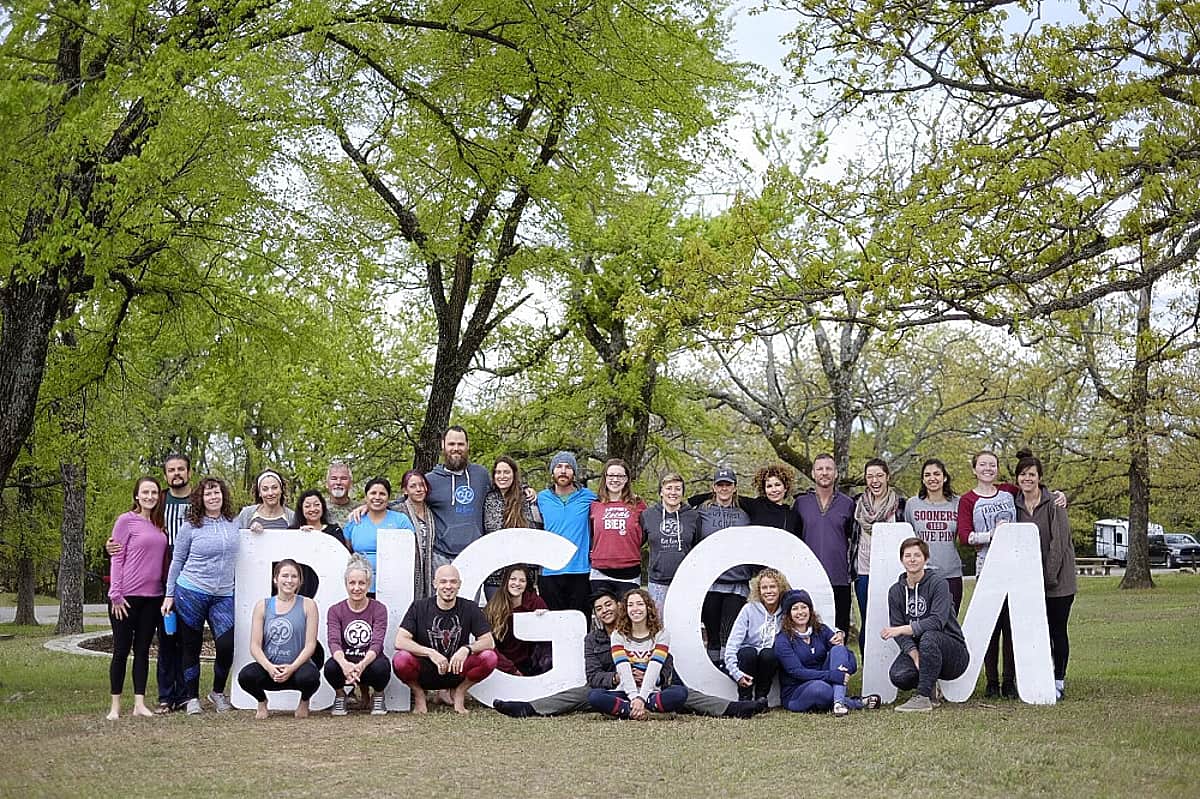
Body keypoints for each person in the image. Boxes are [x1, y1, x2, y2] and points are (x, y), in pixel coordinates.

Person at [493, 589, 766, 719]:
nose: (605, 611)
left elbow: (665, 662)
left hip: (652, 683)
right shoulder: (596, 639)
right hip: (618, 688)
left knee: (686, 694)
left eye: (608, 605)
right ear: (596, 615)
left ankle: (735, 709)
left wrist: (646, 673)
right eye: (599, 609)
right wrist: (617, 679)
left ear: (620, 605)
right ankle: (528, 709)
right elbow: (593, 675)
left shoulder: (654, 631)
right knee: (580, 694)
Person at [163, 476, 242, 715]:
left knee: (226, 645)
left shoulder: (234, 522)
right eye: (208, 494)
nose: (213, 497)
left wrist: (257, 529)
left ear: (223, 495)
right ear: (201, 498)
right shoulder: (191, 525)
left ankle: (217, 692)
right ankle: (192, 697)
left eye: (217, 492)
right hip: (191, 592)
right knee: (191, 647)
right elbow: (177, 560)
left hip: (223, 594)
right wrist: (169, 595)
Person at [392, 564, 498, 714]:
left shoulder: (470, 608)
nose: (448, 586)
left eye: (453, 582)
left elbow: (489, 641)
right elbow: (400, 641)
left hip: (457, 669)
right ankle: (419, 694)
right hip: (426, 669)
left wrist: (466, 649)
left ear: (459, 584)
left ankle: (460, 692)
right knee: (400, 659)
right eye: (443, 582)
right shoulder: (419, 607)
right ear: (435, 584)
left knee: (489, 657)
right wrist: (430, 653)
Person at [1013, 450, 1076, 700]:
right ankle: (1036, 677)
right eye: (1022, 474)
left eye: (1031, 474)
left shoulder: (1054, 504)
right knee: (1034, 631)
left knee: (1057, 630)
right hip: (1029, 582)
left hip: (1057, 581)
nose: (1027, 479)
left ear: (1039, 477)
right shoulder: (1015, 504)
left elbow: (1059, 545)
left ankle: (1058, 679)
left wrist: (1048, 577)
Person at [882, 537, 970, 712]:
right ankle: (930, 685)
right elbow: (900, 632)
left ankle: (923, 697)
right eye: (908, 556)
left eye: (917, 555)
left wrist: (903, 629)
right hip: (922, 650)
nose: (912, 559)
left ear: (926, 559)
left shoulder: (939, 584)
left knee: (929, 637)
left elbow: (937, 621)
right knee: (899, 676)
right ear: (902, 560)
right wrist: (915, 656)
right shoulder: (895, 591)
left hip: (952, 652)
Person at [106, 476, 169, 720]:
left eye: (154, 492)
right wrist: (116, 594)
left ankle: (139, 704)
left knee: (142, 651)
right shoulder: (126, 521)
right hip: (125, 597)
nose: (150, 497)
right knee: (121, 651)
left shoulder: (159, 525)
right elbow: (117, 557)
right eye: (145, 492)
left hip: (152, 597)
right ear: (137, 495)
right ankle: (115, 706)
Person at [957, 450, 1017, 698]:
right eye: (982, 465)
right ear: (974, 469)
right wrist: (993, 534)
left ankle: (1009, 681)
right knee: (990, 627)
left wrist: (1059, 496)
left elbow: (1036, 488)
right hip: (986, 567)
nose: (987, 469)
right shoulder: (968, 500)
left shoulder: (1009, 492)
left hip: (1013, 567)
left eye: (992, 465)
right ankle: (991, 681)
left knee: (1011, 627)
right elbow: (965, 536)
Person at [236, 559, 320, 719]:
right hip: (271, 670)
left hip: (297, 670)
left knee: (311, 677)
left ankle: (304, 701)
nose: (289, 580)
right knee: (246, 676)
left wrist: (292, 667)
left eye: (294, 576)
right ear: (276, 579)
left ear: (300, 581)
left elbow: (310, 644)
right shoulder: (262, 605)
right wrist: (269, 667)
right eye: (285, 575)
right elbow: (254, 645)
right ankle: (262, 701)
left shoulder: (308, 605)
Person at [774, 588, 879, 716]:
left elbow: (847, 654)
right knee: (820, 689)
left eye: (804, 607)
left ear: (810, 610)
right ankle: (855, 703)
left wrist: (847, 668)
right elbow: (796, 672)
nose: (800, 612)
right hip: (797, 691)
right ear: (788, 614)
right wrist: (832, 675)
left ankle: (838, 703)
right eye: (795, 608)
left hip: (827, 681)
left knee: (838, 649)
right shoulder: (782, 639)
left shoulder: (821, 629)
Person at [587, 588, 688, 719]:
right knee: (595, 696)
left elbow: (655, 667)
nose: (635, 609)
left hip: (651, 692)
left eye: (640, 604)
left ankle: (627, 710)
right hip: (625, 691)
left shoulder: (662, 634)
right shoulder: (618, 636)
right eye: (630, 605)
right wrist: (634, 697)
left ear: (648, 607)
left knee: (680, 693)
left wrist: (642, 697)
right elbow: (623, 668)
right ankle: (641, 711)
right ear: (625, 610)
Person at [794, 454, 856, 634]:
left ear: (836, 473)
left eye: (829, 469)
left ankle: (840, 661)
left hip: (838, 577)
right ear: (813, 473)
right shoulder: (801, 503)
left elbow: (852, 538)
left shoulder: (847, 504)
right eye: (820, 469)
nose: (824, 473)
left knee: (839, 629)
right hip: (808, 577)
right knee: (807, 630)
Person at [695, 466, 752, 654]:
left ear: (735, 487)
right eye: (720, 484)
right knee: (712, 637)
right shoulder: (702, 511)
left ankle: (729, 671)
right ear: (714, 487)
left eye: (728, 484)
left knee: (729, 634)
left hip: (737, 583)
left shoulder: (745, 514)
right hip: (709, 583)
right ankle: (712, 675)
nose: (724, 488)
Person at [325, 554, 391, 715]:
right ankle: (340, 695)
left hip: (370, 662)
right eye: (352, 583)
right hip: (346, 662)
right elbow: (334, 642)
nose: (356, 588)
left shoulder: (379, 609)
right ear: (346, 584)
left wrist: (361, 665)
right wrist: (345, 664)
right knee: (331, 667)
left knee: (382, 667)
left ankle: (378, 695)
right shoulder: (335, 610)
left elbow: (377, 643)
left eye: (361, 583)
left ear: (368, 584)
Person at [851, 458, 906, 651]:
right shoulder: (857, 505)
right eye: (870, 476)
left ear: (887, 477)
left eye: (879, 475)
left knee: (896, 618)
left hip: (892, 571)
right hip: (865, 571)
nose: (875, 480)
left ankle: (896, 667)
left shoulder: (900, 506)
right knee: (868, 619)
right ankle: (869, 671)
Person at [538, 451, 598, 618]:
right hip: (550, 572)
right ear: (552, 472)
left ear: (574, 472)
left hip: (580, 571)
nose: (563, 471)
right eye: (559, 467)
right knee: (553, 625)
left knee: (579, 623)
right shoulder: (541, 498)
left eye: (568, 467)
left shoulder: (589, 497)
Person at [425, 426, 491, 570]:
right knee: (443, 593)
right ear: (443, 445)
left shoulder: (481, 475)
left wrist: (525, 489)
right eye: (451, 444)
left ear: (467, 445)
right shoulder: (430, 480)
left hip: (476, 554)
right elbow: (408, 503)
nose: (456, 448)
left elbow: (504, 490)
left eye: (460, 444)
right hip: (442, 557)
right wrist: (371, 506)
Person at [903, 458, 965, 612]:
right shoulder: (912, 504)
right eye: (927, 475)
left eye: (937, 474)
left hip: (951, 571)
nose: (932, 478)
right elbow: (909, 540)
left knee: (950, 621)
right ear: (923, 480)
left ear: (944, 477)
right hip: (922, 572)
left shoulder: (958, 503)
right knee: (923, 621)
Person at [723, 568, 790, 702]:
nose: (769, 591)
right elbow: (732, 644)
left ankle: (762, 697)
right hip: (747, 660)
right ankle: (745, 697)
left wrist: (836, 632)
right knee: (748, 652)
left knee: (769, 653)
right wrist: (736, 673)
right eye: (764, 588)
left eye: (773, 587)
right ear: (758, 591)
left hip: (769, 662)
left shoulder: (786, 612)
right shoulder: (748, 609)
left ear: (780, 588)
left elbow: (810, 622)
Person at [482, 457, 543, 599]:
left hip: (520, 575)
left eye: (506, 472)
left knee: (520, 618)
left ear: (514, 474)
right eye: (498, 472)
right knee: (496, 618)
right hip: (494, 574)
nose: (502, 476)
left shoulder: (526, 499)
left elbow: (535, 533)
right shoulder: (488, 498)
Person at [343, 477, 414, 596]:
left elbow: (409, 550)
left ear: (388, 497)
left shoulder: (401, 520)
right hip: (360, 586)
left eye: (382, 494)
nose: (377, 497)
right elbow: (346, 549)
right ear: (366, 497)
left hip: (393, 584)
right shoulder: (355, 521)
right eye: (373, 493)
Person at [642, 472, 702, 614]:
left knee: (683, 624)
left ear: (682, 492)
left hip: (685, 581)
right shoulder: (648, 515)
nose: (673, 493)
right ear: (661, 492)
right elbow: (637, 543)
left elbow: (698, 548)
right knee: (657, 626)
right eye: (669, 488)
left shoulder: (693, 516)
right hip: (657, 581)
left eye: (677, 489)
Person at [588, 458, 647, 599]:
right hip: (599, 571)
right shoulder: (594, 505)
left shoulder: (638, 505)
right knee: (605, 616)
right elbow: (591, 534)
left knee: (626, 617)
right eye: (611, 475)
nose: (615, 479)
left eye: (620, 476)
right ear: (605, 478)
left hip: (629, 571)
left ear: (626, 479)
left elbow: (645, 533)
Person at [484, 565, 551, 676]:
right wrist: (511, 669)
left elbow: (549, 633)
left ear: (527, 584)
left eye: (522, 580)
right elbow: (488, 644)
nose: (517, 583)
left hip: (530, 663)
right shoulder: (493, 607)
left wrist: (542, 618)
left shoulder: (535, 602)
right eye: (513, 579)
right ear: (506, 581)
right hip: (502, 665)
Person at [288, 489, 347, 599]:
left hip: (329, 585)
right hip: (301, 585)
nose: (312, 509)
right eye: (307, 506)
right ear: (301, 509)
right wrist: (301, 536)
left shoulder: (334, 530)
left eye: (316, 505)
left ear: (322, 506)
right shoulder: (293, 532)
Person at [392, 469, 437, 600]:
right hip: (407, 568)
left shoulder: (431, 511)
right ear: (405, 490)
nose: (419, 489)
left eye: (422, 485)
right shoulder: (397, 511)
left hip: (429, 566)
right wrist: (364, 507)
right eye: (413, 486)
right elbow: (378, 507)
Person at [742, 463, 800, 535]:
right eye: (769, 486)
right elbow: (730, 496)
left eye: (777, 485)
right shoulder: (756, 505)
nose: (774, 490)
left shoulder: (792, 516)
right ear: (764, 490)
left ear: (785, 487)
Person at [324, 461, 355, 528]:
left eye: (343, 478)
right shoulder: (318, 509)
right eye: (334, 479)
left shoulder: (360, 510)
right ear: (326, 483)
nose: (338, 482)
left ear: (350, 483)